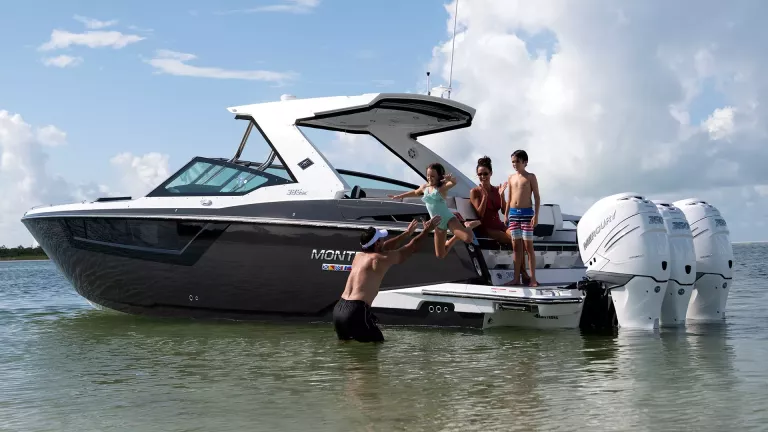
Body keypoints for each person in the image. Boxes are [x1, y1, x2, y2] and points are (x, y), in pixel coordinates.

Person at [333, 215, 441, 343]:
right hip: (356, 311)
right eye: (382, 239)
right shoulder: (380, 259)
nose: (384, 240)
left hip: (339, 310)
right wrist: (426, 231)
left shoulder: (358, 256)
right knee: (377, 344)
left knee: (345, 348)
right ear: (377, 243)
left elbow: (385, 247)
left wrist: (406, 234)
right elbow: (411, 248)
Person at [388, 163, 481, 258]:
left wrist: (451, 180)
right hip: (437, 224)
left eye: (432, 176)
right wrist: (400, 196)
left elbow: (453, 183)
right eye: (428, 175)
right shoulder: (425, 187)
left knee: (468, 239)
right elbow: (415, 192)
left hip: (449, 219)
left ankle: (468, 225)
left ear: (439, 177)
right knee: (440, 255)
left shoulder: (441, 188)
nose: (429, 178)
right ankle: (454, 238)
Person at [469, 156, 530, 284]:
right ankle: (520, 276)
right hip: (486, 227)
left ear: (491, 173)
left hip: (500, 225)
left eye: (485, 173)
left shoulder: (497, 189)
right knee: (516, 241)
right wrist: (484, 197)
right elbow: (479, 215)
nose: (482, 176)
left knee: (520, 239)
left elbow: (503, 210)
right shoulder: (475, 191)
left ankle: (521, 276)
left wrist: (501, 196)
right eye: (479, 174)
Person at [504, 150, 540, 287]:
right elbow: (509, 198)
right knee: (516, 248)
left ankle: (533, 279)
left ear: (525, 162)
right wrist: (506, 215)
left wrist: (536, 215)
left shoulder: (530, 177)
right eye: (513, 162)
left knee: (528, 247)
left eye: (517, 162)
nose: (514, 164)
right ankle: (515, 278)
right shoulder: (511, 177)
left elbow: (536, 197)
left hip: (527, 214)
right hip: (513, 214)